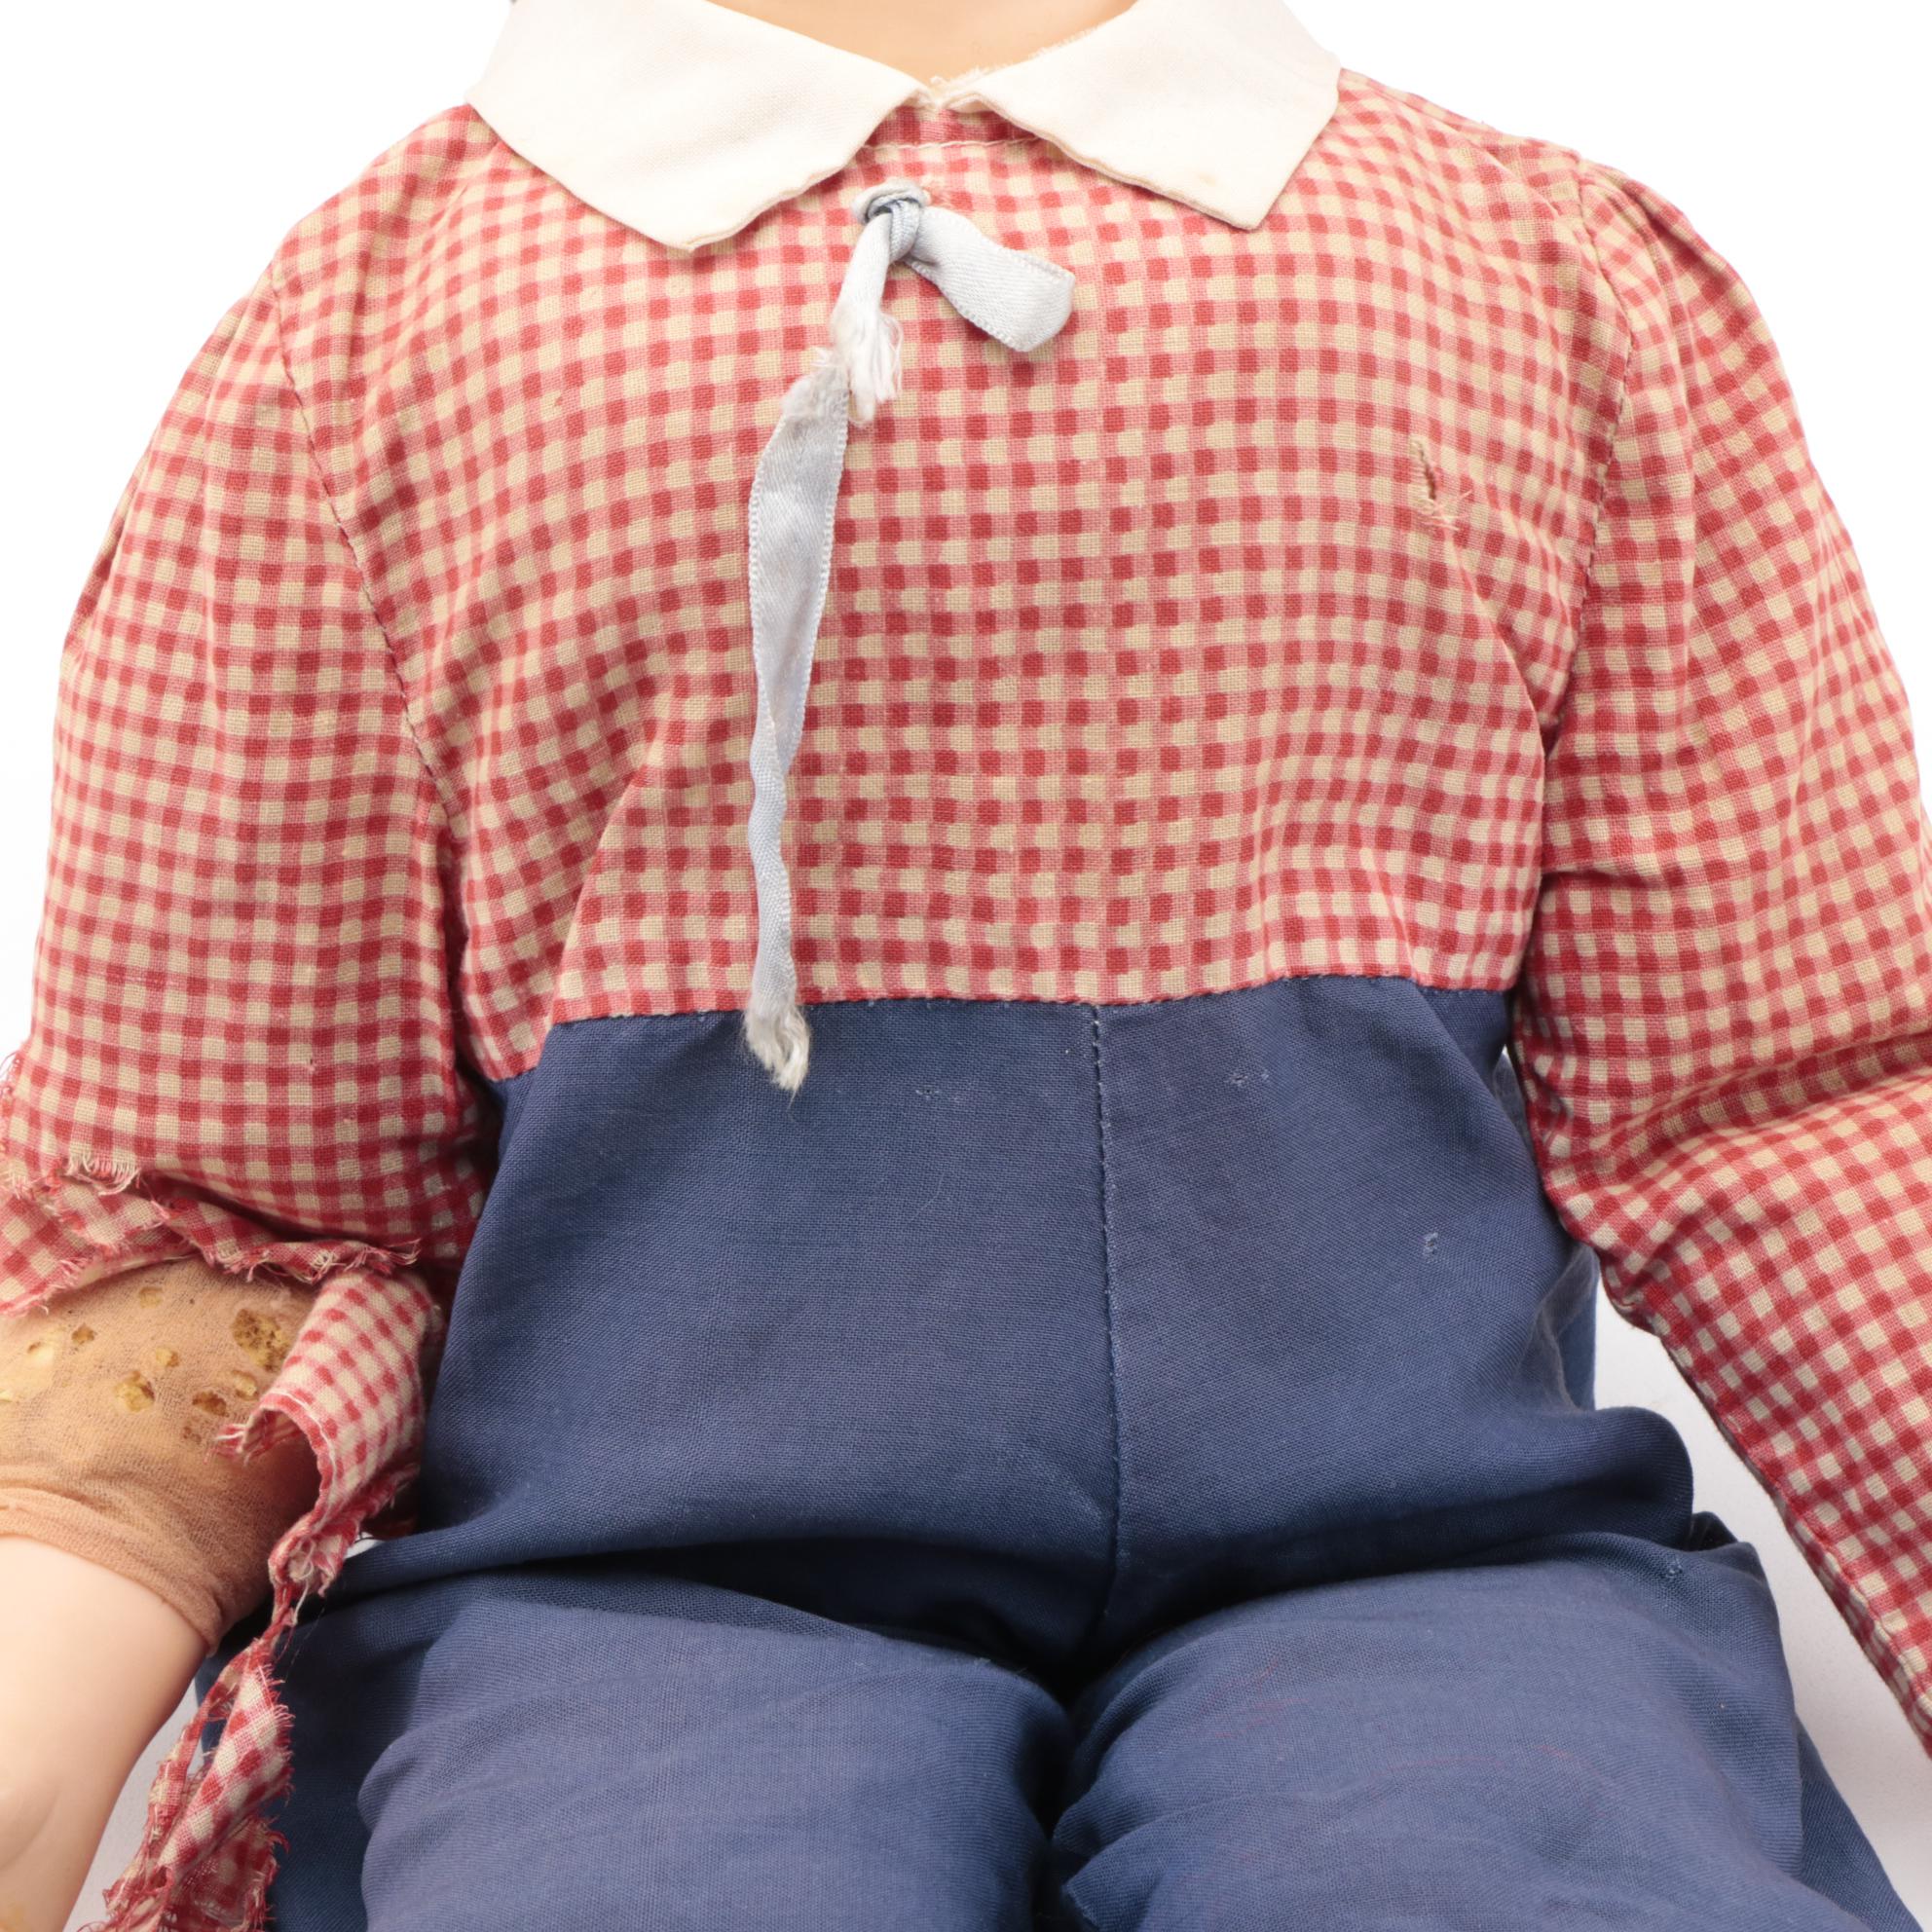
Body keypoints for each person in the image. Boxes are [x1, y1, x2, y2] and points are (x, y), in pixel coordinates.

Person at [1, 0, 1926, 1926]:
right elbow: (226, 1185)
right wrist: (54, 1630)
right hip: (640, 1596)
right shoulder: (376, 338)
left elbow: (1792, 1096)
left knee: (1508, 1875)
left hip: (1433, 1562)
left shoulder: (1530, 284)